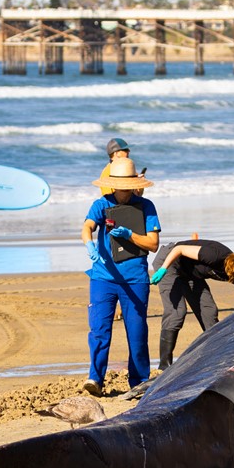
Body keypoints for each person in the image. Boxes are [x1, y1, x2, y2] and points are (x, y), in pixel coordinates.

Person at [81, 158, 161, 396]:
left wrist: (130, 235)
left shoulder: (146, 207)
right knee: (99, 329)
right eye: (118, 184)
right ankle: (95, 378)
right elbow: (87, 227)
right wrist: (89, 245)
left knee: (136, 332)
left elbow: (153, 244)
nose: (122, 188)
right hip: (103, 277)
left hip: (135, 279)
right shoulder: (100, 204)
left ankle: (139, 382)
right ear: (112, 184)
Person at [149, 240, 234, 370]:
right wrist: (163, 269)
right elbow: (179, 249)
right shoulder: (216, 256)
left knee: (209, 311)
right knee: (177, 312)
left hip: (190, 274)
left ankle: (217, 357)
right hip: (170, 261)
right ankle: (164, 365)